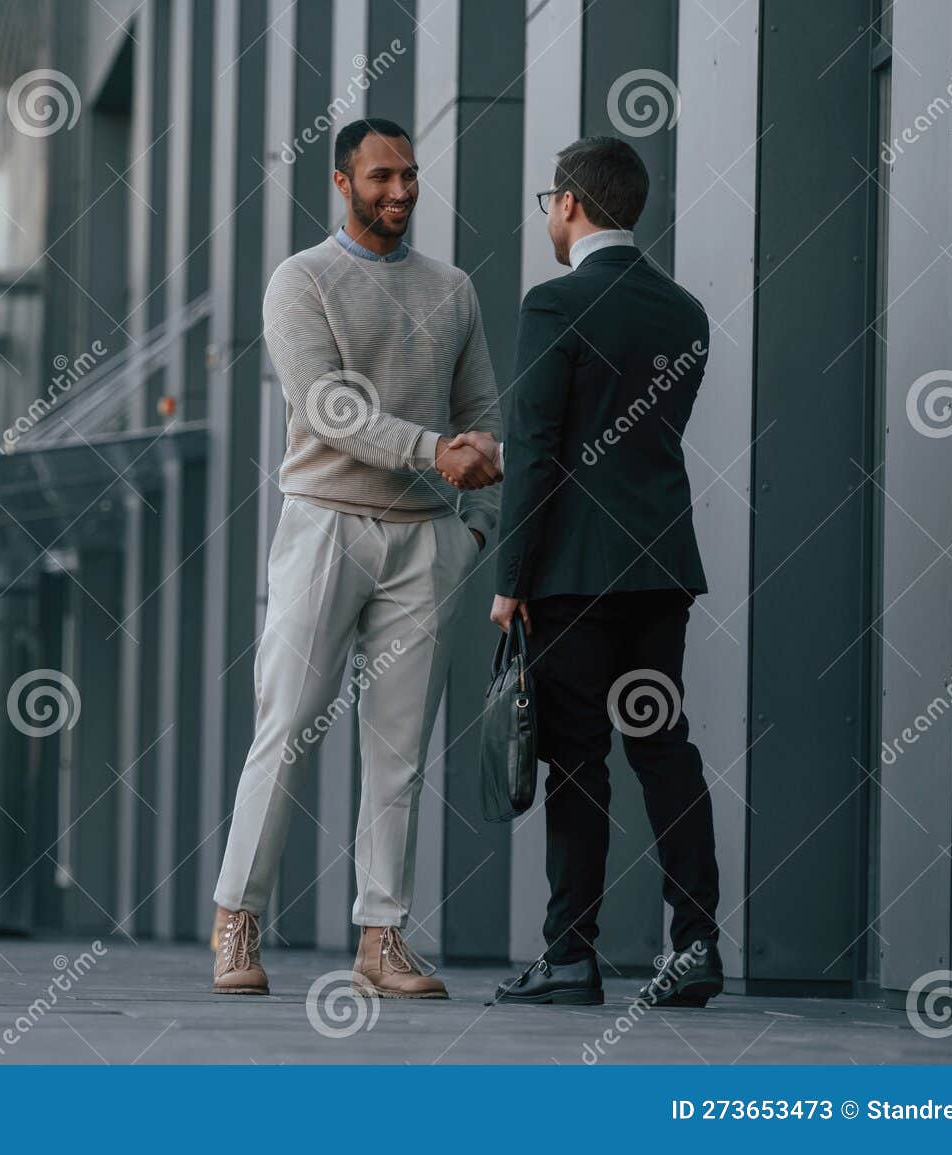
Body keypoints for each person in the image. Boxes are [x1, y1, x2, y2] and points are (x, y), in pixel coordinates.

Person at [209, 117, 501, 999]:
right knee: (286, 724)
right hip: (325, 525)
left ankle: (382, 937)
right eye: (381, 177)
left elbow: (483, 415)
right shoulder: (301, 280)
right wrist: (432, 450)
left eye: (408, 174)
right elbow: (327, 407)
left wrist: (474, 529)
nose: (400, 191)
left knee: (400, 749)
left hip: (426, 539)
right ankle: (237, 920)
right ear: (343, 183)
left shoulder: (453, 289)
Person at [462, 136, 724, 1008]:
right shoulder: (684, 311)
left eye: (550, 201)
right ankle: (696, 946)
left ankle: (571, 956)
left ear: (569, 204)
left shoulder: (555, 303)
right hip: (660, 570)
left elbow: (537, 448)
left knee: (577, 760)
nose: (549, 216)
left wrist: (510, 578)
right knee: (663, 747)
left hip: (573, 577)